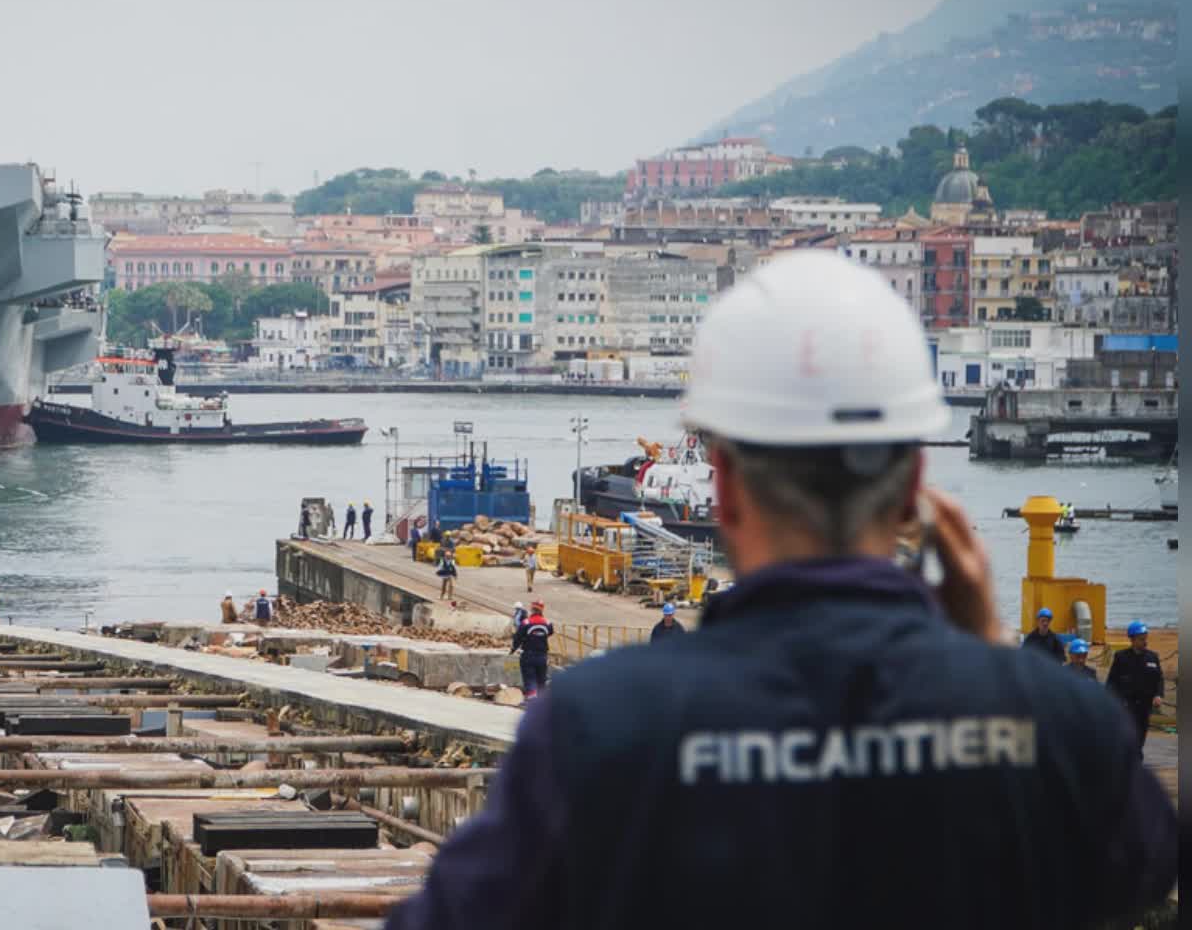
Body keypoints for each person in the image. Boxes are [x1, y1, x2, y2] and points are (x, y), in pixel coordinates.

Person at [384, 250, 1177, 930]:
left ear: (721, 486)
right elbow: (1139, 866)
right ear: (913, 486)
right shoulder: (1052, 726)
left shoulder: (597, 729)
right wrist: (991, 662)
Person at [1106, 621, 1164, 745]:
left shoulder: (1152, 657)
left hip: (1145, 705)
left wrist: (1158, 695)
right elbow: (1112, 680)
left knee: (1141, 734)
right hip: (1126, 704)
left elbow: (1159, 679)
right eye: (1141, 639)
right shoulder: (1121, 657)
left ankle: (1136, 757)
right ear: (1132, 639)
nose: (1144, 641)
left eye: (1145, 638)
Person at [511, 599, 552, 698]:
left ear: (532, 609)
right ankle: (542, 703)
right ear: (542, 610)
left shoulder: (526, 623)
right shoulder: (548, 623)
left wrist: (513, 649)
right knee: (541, 680)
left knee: (530, 679)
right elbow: (550, 633)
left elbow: (518, 638)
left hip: (528, 655)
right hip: (542, 656)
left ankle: (532, 702)